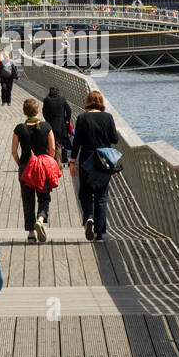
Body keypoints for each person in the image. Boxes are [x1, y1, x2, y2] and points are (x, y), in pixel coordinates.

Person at [70, 89, 119, 241]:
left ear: (88, 101)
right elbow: (115, 139)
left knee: (85, 192)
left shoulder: (82, 118)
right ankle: (99, 234)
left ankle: (89, 217)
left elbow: (76, 142)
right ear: (101, 102)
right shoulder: (108, 117)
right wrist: (114, 130)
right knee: (101, 196)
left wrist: (72, 162)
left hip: (87, 158)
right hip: (104, 160)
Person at [12, 97, 56, 243]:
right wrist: (48, 161)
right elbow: (53, 149)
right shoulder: (46, 127)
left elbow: (14, 151)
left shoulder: (19, 128)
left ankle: (31, 234)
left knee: (28, 199)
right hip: (42, 166)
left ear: (25, 112)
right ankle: (40, 219)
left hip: (25, 167)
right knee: (44, 196)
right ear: (38, 111)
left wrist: (21, 164)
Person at [42, 85, 74, 165]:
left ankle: (54, 163)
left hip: (51, 125)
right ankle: (59, 164)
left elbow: (44, 113)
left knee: (51, 144)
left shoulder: (47, 100)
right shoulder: (62, 99)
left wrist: (48, 120)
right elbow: (69, 111)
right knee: (59, 145)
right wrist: (66, 120)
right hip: (61, 125)